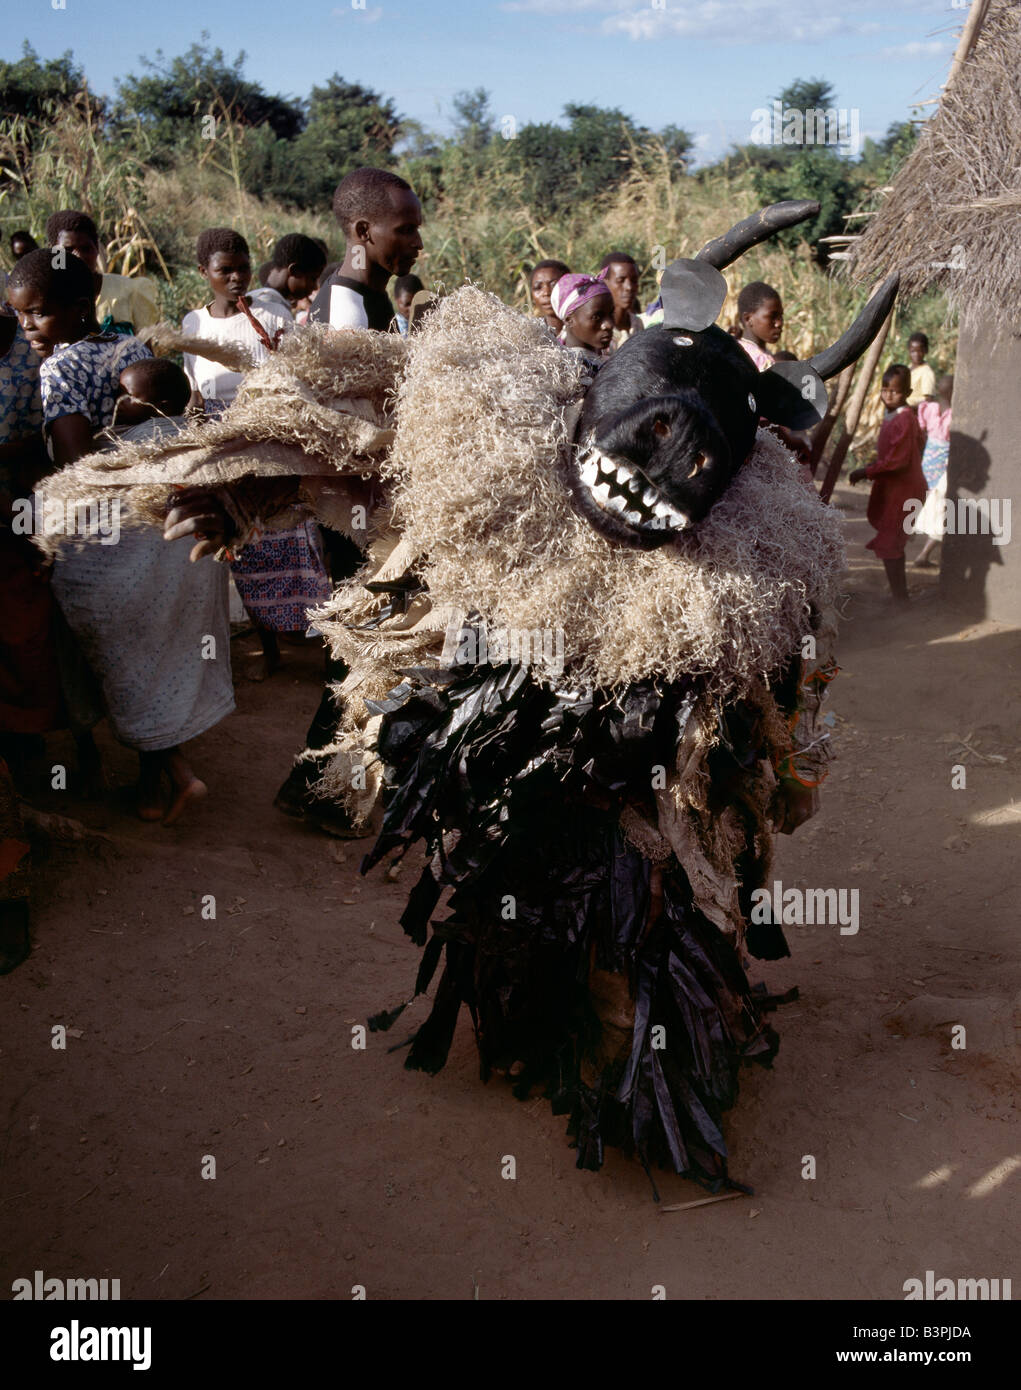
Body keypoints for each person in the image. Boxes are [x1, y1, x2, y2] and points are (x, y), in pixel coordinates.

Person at [182, 227, 329, 681]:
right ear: (203, 272)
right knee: (244, 549)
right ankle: (270, 650)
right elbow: (194, 393)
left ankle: (322, 647)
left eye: (243, 268)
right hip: (227, 450)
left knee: (293, 543)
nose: (236, 278)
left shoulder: (269, 310)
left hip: (272, 441)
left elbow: (290, 376)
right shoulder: (193, 324)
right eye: (224, 270)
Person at [308, 167, 423, 331]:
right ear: (363, 231)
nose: (418, 243)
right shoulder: (348, 319)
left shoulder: (370, 294)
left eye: (417, 229)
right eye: (405, 230)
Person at [848, 364, 925, 602]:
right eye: (884, 389)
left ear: (908, 393)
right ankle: (899, 596)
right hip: (897, 487)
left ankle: (901, 600)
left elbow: (897, 461)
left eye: (896, 391)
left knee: (891, 543)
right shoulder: (894, 416)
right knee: (893, 542)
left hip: (904, 489)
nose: (888, 395)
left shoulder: (905, 419)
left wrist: (866, 471)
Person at [44, 210, 159, 336]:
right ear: (54, 254)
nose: (79, 257)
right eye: (68, 250)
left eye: (86, 249)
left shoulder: (130, 291)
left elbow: (146, 349)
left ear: (97, 249)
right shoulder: (47, 300)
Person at [912, 374, 953, 567]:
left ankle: (920, 547)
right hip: (940, 464)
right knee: (940, 508)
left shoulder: (930, 408)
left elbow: (920, 431)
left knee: (931, 501)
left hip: (930, 460)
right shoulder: (951, 414)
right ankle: (924, 553)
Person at [249, 233, 327, 321]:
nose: (315, 286)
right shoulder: (275, 312)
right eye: (313, 279)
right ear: (295, 271)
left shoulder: (253, 299)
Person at [550, 273, 615, 373]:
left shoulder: (597, 361)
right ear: (569, 320)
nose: (609, 325)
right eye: (596, 317)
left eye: (611, 314)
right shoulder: (574, 372)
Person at [598, 252, 643, 348]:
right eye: (620, 280)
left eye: (634, 280)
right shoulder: (598, 328)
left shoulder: (637, 324)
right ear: (604, 283)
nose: (629, 287)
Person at [737, 281, 783, 370]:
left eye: (781, 316)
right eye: (772, 316)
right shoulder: (751, 358)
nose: (779, 323)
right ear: (748, 319)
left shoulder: (735, 350)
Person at [530, 259, 570, 334]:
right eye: (538, 287)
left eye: (554, 285)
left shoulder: (586, 329)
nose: (546, 293)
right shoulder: (531, 334)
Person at [907, 331, 936, 405]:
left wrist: (907, 404)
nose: (916, 354)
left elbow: (928, 399)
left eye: (920, 351)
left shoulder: (926, 372)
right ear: (908, 351)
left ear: (926, 351)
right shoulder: (909, 368)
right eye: (913, 351)